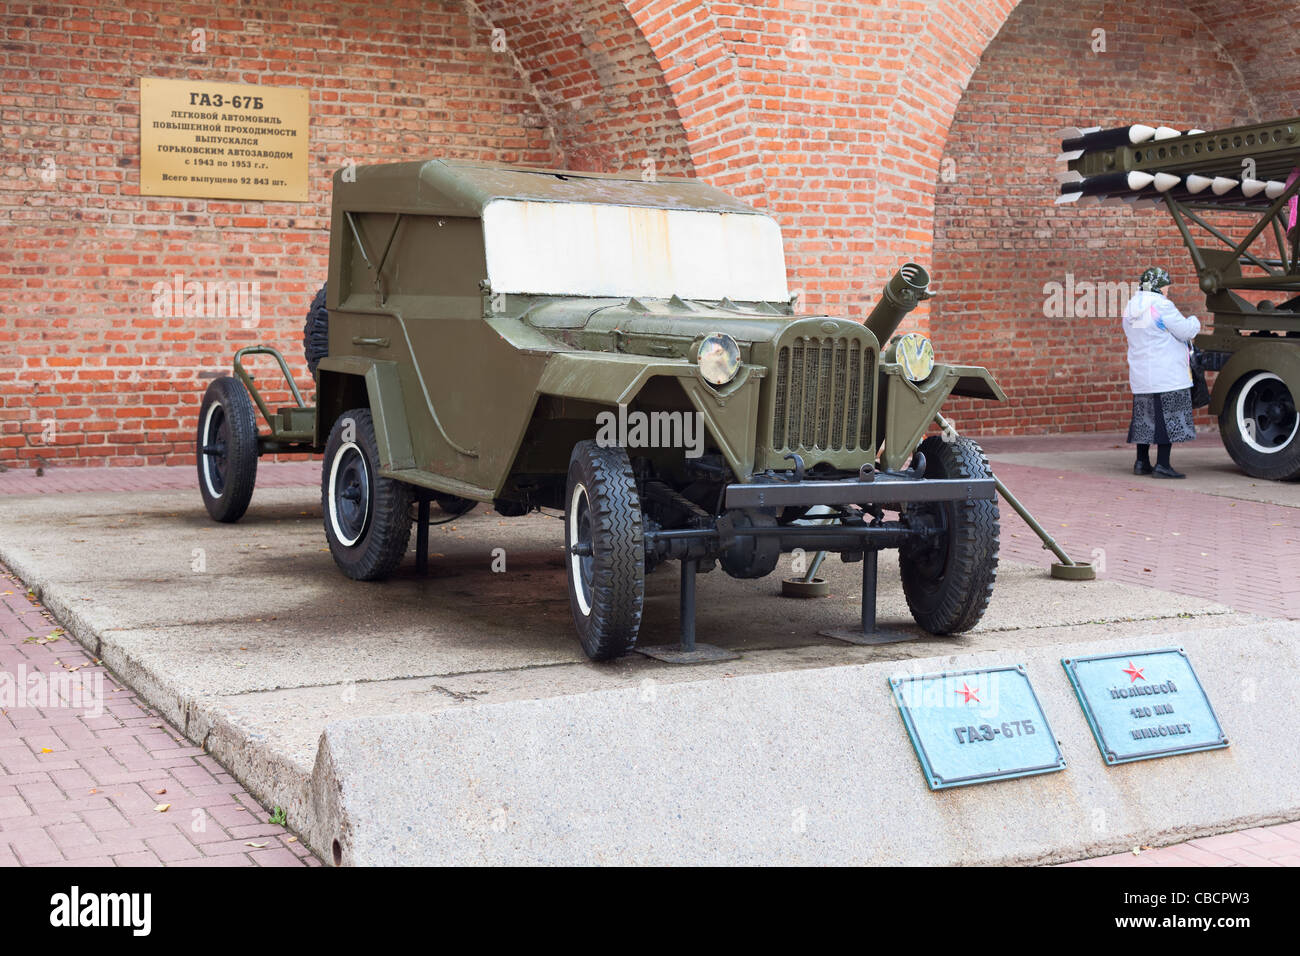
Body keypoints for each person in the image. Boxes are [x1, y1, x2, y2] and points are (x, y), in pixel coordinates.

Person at [1122, 267, 1201, 478]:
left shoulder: (1131, 307)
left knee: (1145, 418)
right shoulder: (1161, 305)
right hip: (1167, 376)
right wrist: (1195, 320)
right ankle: (1163, 465)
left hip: (1141, 375)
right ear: (1158, 285)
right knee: (1170, 419)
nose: (1168, 289)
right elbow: (1185, 330)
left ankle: (1141, 462)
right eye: (1167, 285)